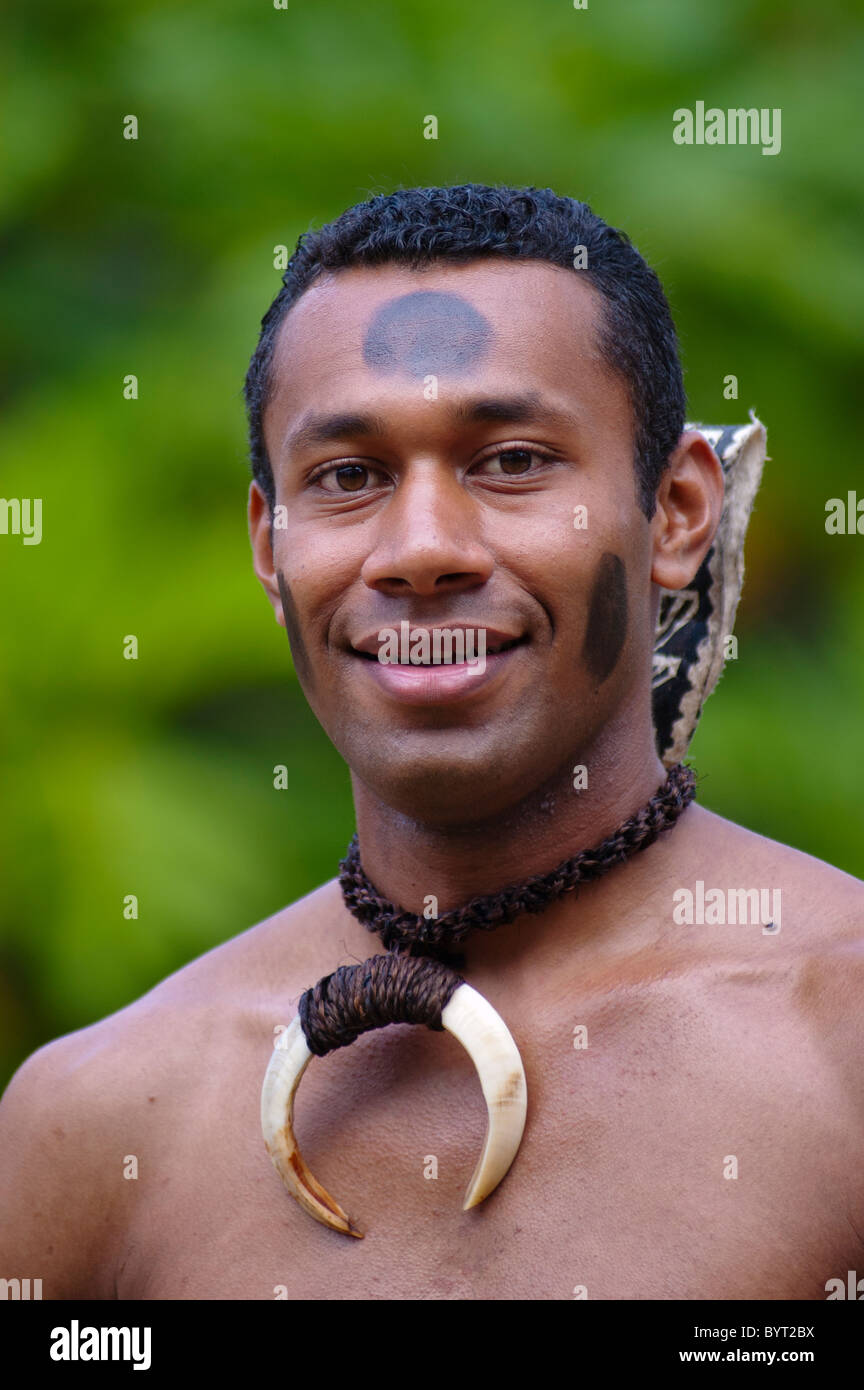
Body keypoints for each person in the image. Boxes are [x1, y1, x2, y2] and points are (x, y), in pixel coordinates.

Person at [1, 185, 862, 1301]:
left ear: (679, 511)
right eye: (349, 477)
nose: (421, 551)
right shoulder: (98, 1119)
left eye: (510, 461)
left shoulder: (837, 1039)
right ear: (271, 548)